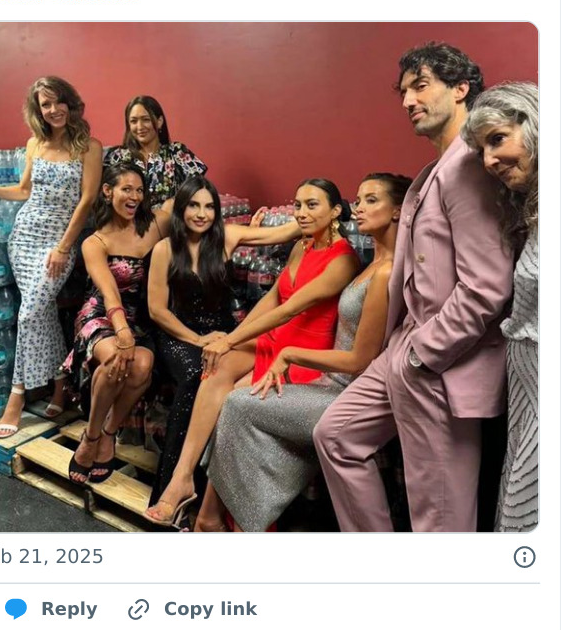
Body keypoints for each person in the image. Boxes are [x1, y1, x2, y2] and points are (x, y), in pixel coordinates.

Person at [314, 43, 514, 531]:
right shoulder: (435, 170)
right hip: (406, 349)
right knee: (335, 435)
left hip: (442, 361)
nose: (407, 100)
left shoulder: (470, 165)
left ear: (461, 89)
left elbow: (487, 287)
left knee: (439, 516)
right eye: (403, 91)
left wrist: (424, 353)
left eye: (420, 86)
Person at [199, 173, 411, 533]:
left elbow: (360, 360)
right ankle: (231, 521)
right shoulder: (371, 264)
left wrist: (292, 355)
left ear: (398, 211)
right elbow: (280, 300)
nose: (359, 207)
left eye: (372, 200)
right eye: (358, 199)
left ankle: (232, 523)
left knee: (237, 405)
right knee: (237, 402)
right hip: (328, 379)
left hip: (346, 390)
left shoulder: (384, 272)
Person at [146, 178, 359, 527]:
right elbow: (274, 298)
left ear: (336, 211)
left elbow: (291, 310)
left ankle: (211, 512)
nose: (302, 212)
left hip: (301, 351)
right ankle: (181, 479)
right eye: (298, 204)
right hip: (273, 336)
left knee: (234, 397)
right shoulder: (302, 247)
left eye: (312, 205)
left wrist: (228, 339)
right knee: (216, 367)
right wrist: (229, 340)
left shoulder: (344, 260)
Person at [147, 176, 302, 505]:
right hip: (179, 333)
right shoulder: (164, 249)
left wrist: (323, 212)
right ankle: (170, 488)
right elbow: (158, 311)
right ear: (181, 209)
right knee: (194, 377)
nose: (201, 214)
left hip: (223, 331)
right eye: (194, 206)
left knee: (217, 378)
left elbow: (284, 232)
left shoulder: (227, 237)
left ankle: (206, 495)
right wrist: (199, 339)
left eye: (209, 207)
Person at [0, 77, 102, 437]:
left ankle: (17, 395)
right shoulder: (35, 144)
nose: (53, 110)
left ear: (70, 103)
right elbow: (24, 191)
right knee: (42, 316)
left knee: (28, 315)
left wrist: (63, 247)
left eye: (58, 102)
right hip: (23, 238)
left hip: (58, 243)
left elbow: (86, 202)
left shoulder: (89, 146)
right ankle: (59, 385)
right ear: (37, 110)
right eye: (45, 105)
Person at [62, 163, 173, 483]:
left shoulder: (157, 223)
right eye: (127, 189)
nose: (135, 197)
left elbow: (195, 218)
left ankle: (110, 431)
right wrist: (122, 333)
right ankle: (92, 437)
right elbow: (109, 293)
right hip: (101, 314)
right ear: (108, 191)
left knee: (142, 366)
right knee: (115, 358)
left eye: (139, 190)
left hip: (144, 317)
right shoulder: (94, 242)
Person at [462, 82, 538, 532]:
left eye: (498, 139)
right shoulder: (534, 211)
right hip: (526, 390)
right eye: (482, 150)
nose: (489, 160)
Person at [106, 96, 206, 208]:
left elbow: (200, 191)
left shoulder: (177, 152)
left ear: (159, 122)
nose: (139, 127)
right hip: (128, 222)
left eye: (146, 119)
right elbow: (107, 199)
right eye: (134, 121)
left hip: (170, 221)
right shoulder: (118, 156)